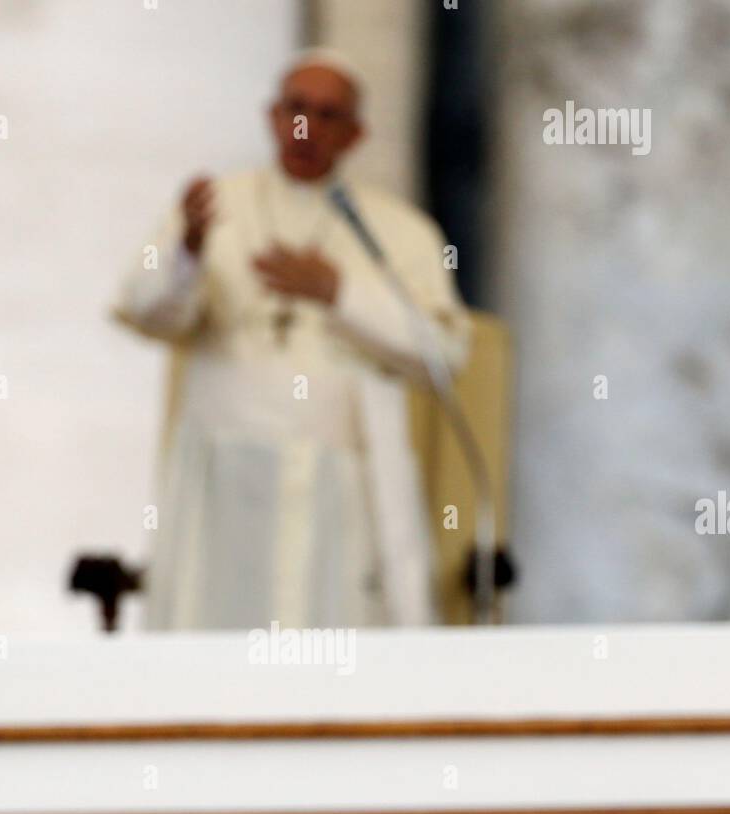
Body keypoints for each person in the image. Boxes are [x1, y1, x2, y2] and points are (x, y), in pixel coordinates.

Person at [114, 48, 470, 630]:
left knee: (327, 642)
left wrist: (341, 294)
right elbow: (145, 313)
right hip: (220, 481)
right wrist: (186, 255)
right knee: (212, 637)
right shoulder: (211, 209)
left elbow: (445, 356)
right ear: (272, 116)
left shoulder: (399, 231)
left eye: (329, 115)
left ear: (356, 134)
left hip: (338, 487)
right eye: (296, 108)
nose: (307, 128)